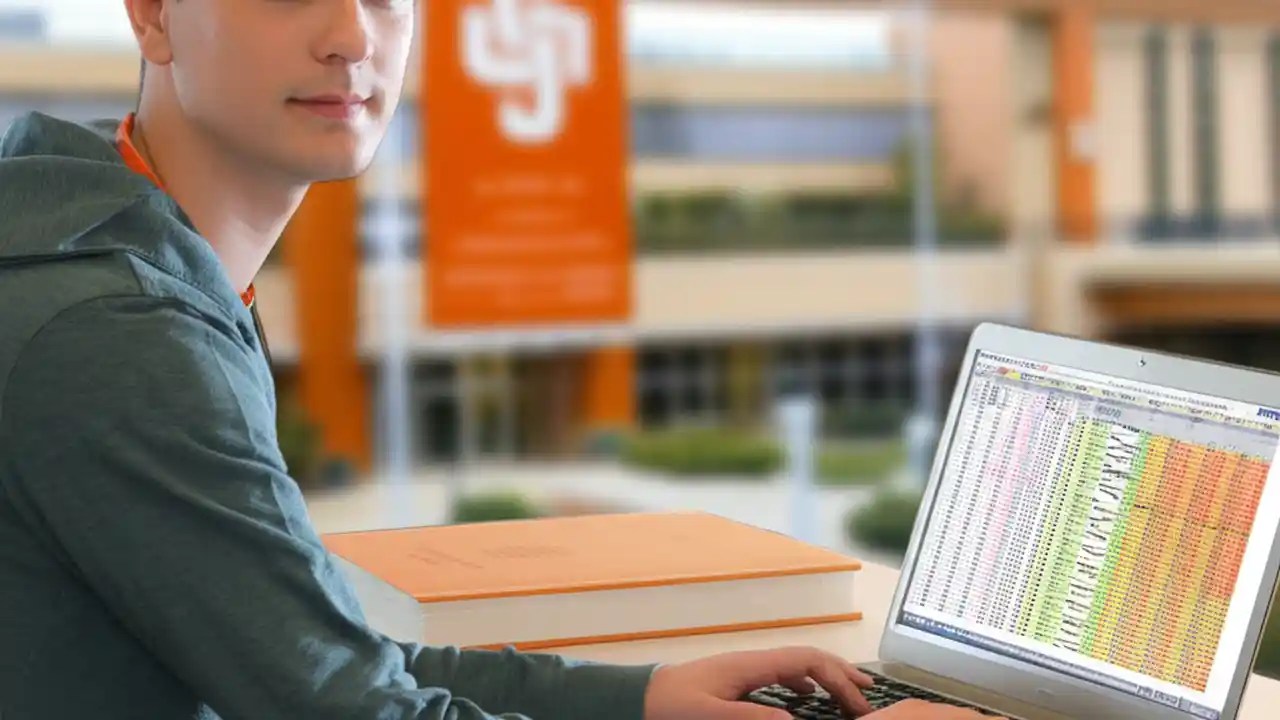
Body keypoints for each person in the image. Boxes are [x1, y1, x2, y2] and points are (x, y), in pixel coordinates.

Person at [0, 1, 998, 719]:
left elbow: (324, 660)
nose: (352, 36)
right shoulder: (117, 332)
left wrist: (643, 697)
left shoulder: (109, 252)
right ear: (152, 15)